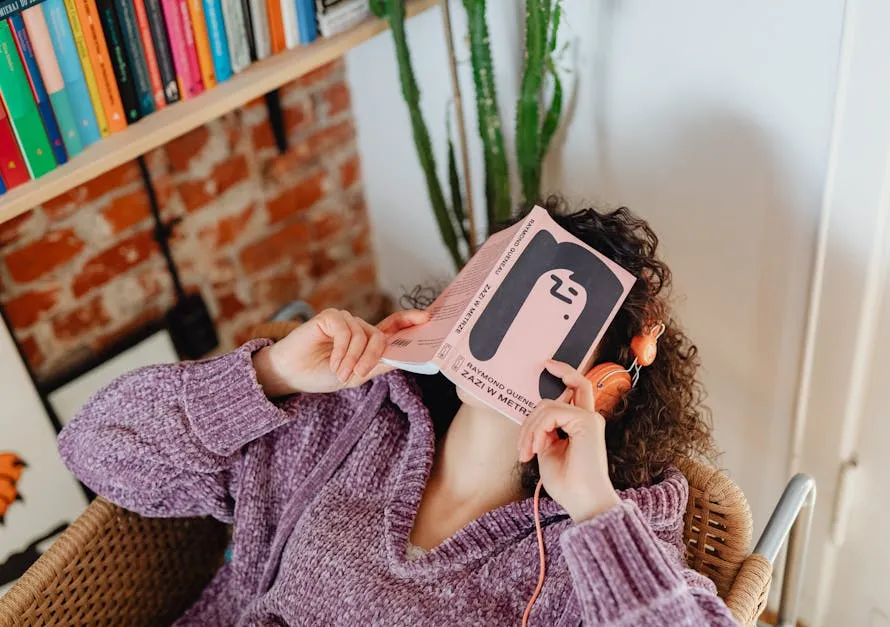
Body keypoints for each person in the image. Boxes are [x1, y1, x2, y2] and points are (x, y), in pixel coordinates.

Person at [58, 200, 738, 626]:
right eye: (501, 286)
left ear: (610, 384)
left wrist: (596, 512)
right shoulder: (348, 414)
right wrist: (267, 376)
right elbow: (94, 445)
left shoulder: (599, 540)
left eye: (553, 311)